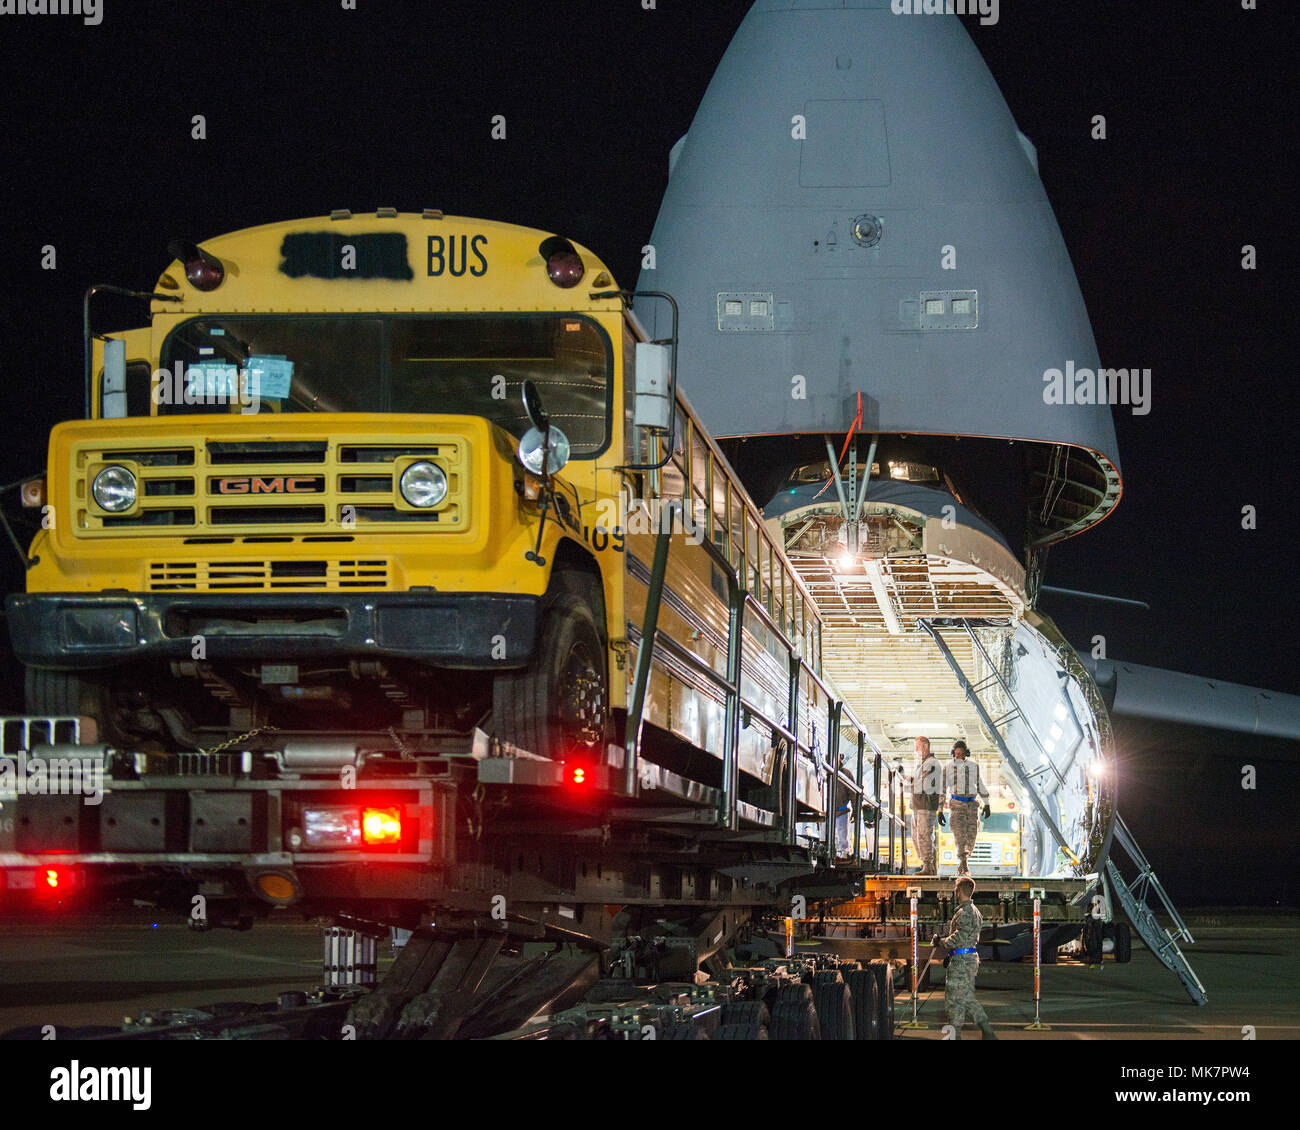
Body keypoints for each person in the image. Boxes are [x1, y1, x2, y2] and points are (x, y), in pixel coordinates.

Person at [931, 876, 996, 1040]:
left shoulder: (965, 912)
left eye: (955, 889)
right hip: (965, 958)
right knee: (964, 997)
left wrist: (941, 942)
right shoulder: (973, 910)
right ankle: (986, 1031)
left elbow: (959, 937)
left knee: (954, 999)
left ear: (959, 891)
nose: (954, 892)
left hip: (962, 961)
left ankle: (955, 1036)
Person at [944, 739, 989, 875]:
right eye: (956, 754)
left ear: (966, 754)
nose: (958, 756)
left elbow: (980, 784)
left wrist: (987, 803)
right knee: (960, 836)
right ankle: (964, 864)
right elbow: (942, 789)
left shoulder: (973, 766)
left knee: (971, 836)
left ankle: (964, 860)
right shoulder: (948, 768)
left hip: (972, 806)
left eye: (961, 754)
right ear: (953, 754)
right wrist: (940, 810)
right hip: (957, 805)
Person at [909, 736, 943, 874]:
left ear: (925, 746)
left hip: (926, 805)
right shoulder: (923, 764)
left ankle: (928, 866)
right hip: (918, 805)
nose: (916, 749)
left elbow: (922, 783)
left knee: (924, 835)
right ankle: (928, 864)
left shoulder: (932, 763)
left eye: (918, 746)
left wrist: (908, 783)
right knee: (918, 835)